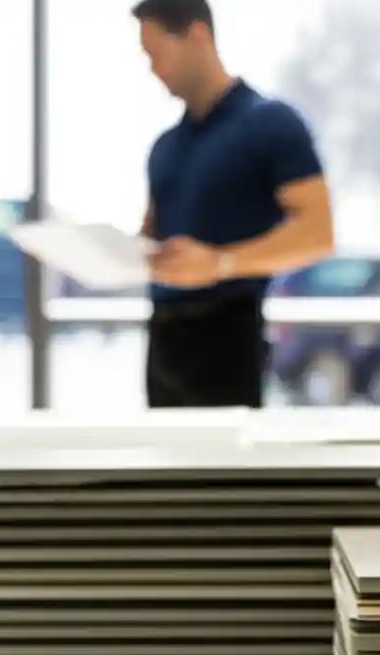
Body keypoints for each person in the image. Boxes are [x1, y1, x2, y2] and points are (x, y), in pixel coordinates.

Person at [133, 0, 334, 409]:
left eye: (158, 54)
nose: (153, 69)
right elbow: (153, 234)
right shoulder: (165, 148)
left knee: (222, 470)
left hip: (228, 335)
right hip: (163, 340)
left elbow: (318, 234)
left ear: (197, 35)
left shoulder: (271, 124)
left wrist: (219, 263)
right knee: (161, 466)